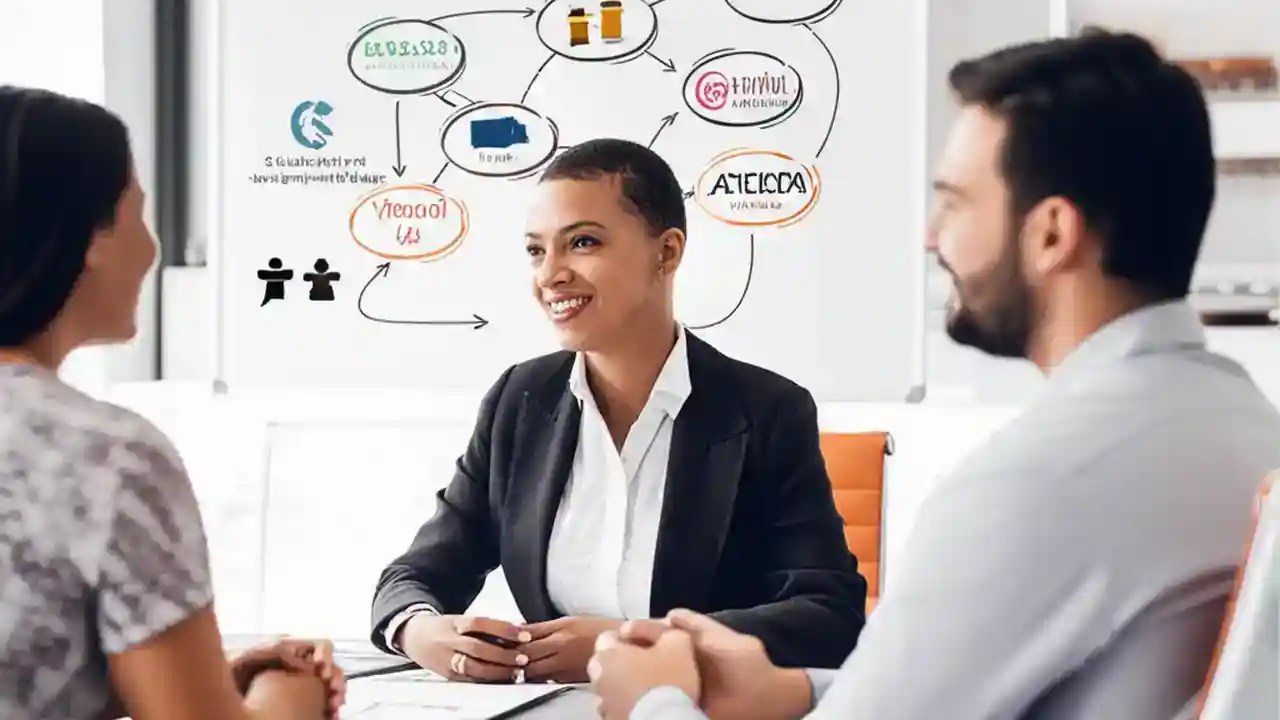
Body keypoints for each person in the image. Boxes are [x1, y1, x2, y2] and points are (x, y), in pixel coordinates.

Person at [587, 28, 1280, 720]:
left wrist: (654, 701)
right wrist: (794, 691)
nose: (930, 234)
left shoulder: (1038, 480)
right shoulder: (1243, 425)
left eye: (954, 201)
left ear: (1050, 234)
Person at [369, 138, 867, 683]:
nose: (550, 275)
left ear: (668, 252)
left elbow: (828, 616)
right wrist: (420, 631)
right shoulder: (520, 399)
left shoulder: (767, 411)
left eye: (582, 242)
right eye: (536, 251)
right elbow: (415, 575)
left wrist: (632, 646)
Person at [0, 85, 346, 719]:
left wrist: (196, 682)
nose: (154, 249)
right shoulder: (107, 454)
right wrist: (289, 690)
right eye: (138, 213)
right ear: (89, 236)